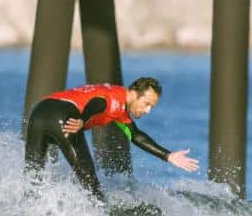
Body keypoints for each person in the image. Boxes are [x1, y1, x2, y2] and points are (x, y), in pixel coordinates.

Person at [24, 77, 198, 201]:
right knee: (90, 183)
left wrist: (168, 156)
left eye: (151, 107)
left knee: (32, 176)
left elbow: (135, 135)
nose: (147, 111)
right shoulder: (117, 100)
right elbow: (99, 103)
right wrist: (83, 119)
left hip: (39, 112)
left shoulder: (118, 104)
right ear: (135, 93)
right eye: (147, 104)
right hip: (65, 118)